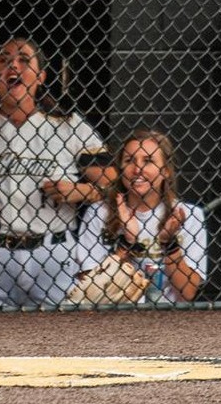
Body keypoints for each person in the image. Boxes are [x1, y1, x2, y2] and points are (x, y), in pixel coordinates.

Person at [0, 38, 114, 307]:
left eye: (24, 59)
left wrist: (84, 191)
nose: (13, 66)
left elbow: (115, 184)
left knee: (68, 334)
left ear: (41, 76)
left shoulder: (67, 125)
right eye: (4, 60)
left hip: (54, 250)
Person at [71, 130, 208, 304]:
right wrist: (127, 243)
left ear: (165, 170)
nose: (137, 169)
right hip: (114, 316)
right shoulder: (99, 212)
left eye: (148, 161)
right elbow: (91, 293)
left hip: (170, 317)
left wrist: (169, 243)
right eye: (129, 161)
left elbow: (188, 292)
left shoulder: (188, 215)